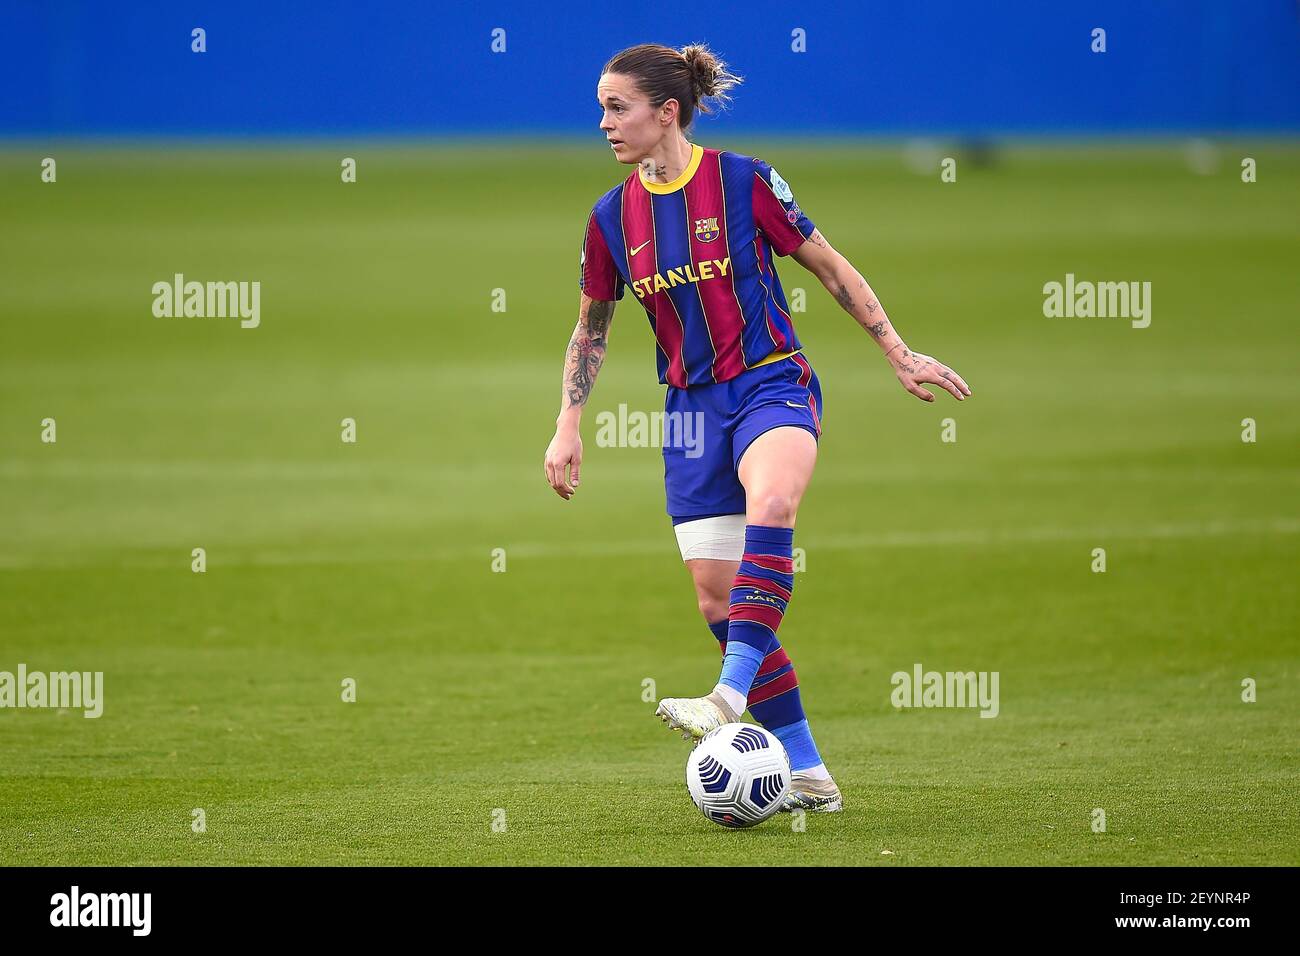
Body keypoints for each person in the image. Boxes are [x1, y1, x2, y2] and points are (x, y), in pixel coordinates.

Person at [543, 42, 971, 812]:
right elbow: (592, 329)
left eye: (616, 106)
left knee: (773, 506)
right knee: (718, 601)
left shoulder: (742, 182)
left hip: (773, 382)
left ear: (665, 111)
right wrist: (567, 424)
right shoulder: (610, 219)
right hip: (689, 415)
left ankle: (728, 700)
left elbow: (831, 267)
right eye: (602, 107)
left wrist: (899, 353)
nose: (602, 122)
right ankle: (807, 771)